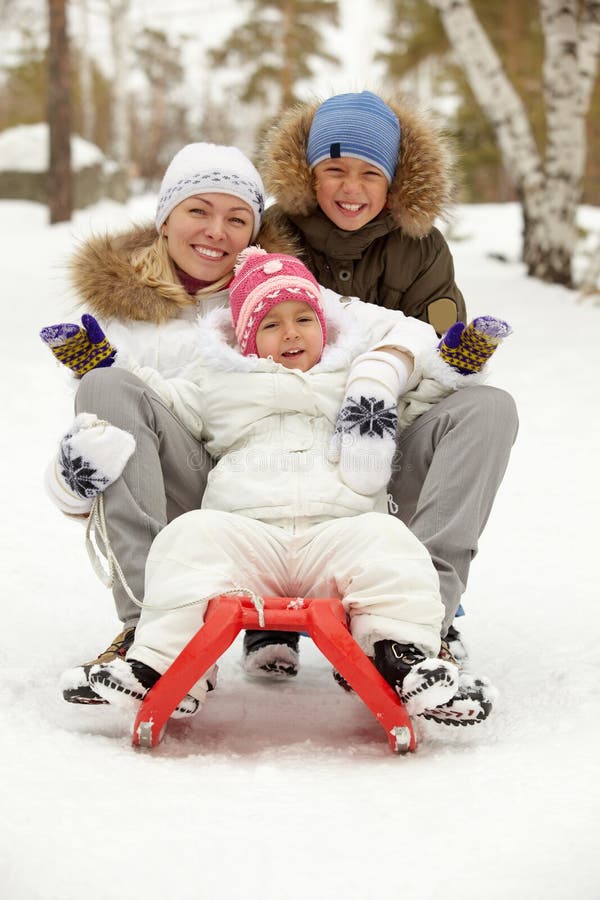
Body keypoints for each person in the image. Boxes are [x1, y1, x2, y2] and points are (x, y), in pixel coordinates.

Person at [63, 248, 508, 725]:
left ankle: (402, 657)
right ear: (246, 340)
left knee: (390, 544)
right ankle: (161, 664)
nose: (291, 332)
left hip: (339, 536)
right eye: (270, 324)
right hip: (246, 537)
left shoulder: (352, 380)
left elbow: (416, 407)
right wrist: (108, 365)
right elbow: (161, 401)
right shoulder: (217, 383)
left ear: (324, 326)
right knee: (187, 539)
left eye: (303, 319)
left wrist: (452, 368)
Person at [244, 90, 519, 677]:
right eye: (335, 170)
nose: (352, 188)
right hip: (286, 431)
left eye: (371, 172)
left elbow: (435, 353)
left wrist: (450, 359)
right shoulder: (271, 233)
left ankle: (425, 613)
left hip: (388, 422)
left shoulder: (423, 249)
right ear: (308, 174)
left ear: (394, 182)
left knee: (488, 407)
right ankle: (267, 606)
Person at [40, 142, 294, 706]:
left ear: (255, 233)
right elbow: (94, 478)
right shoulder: (117, 320)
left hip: (261, 493)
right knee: (106, 385)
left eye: (237, 218)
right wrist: (74, 479)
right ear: (164, 218)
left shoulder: (277, 304)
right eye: (198, 210)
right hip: (167, 490)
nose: (216, 232)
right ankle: (149, 632)